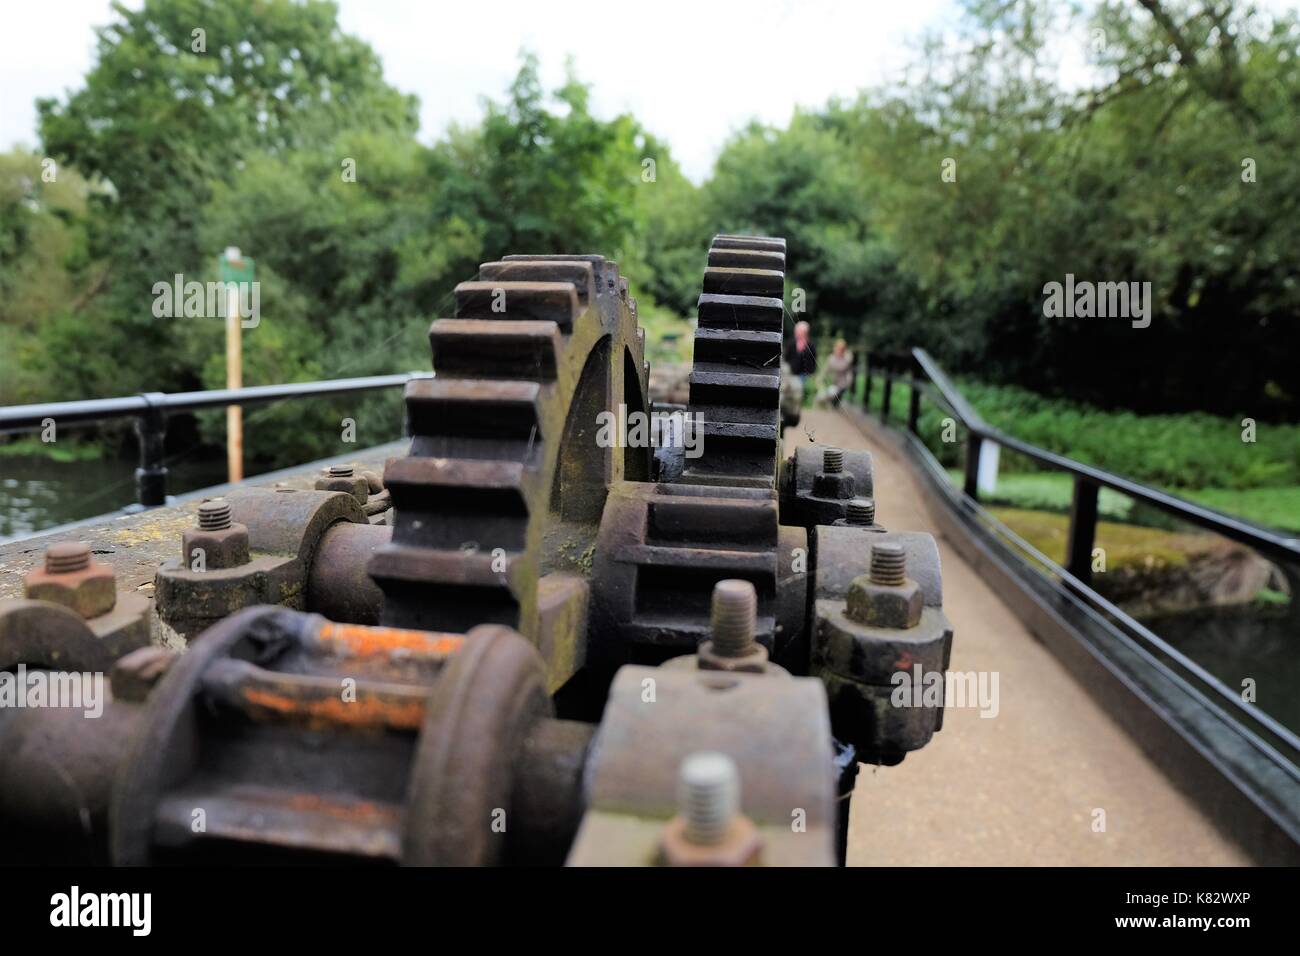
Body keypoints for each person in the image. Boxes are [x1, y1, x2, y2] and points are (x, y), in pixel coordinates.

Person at [822, 338, 855, 407]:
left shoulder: (847, 359)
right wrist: (821, 378)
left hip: (842, 385)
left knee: (835, 399)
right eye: (837, 348)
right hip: (832, 383)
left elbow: (849, 373)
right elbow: (826, 369)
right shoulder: (831, 358)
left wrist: (849, 383)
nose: (838, 350)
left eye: (841, 349)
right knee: (829, 395)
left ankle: (834, 407)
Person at [787, 321, 817, 392]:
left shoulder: (811, 346)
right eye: (796, 331)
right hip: (791, 374)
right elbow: (787, 359)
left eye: (798, 332)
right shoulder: (791, 344)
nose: (796, 333)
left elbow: (813, 363)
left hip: (805, 376)